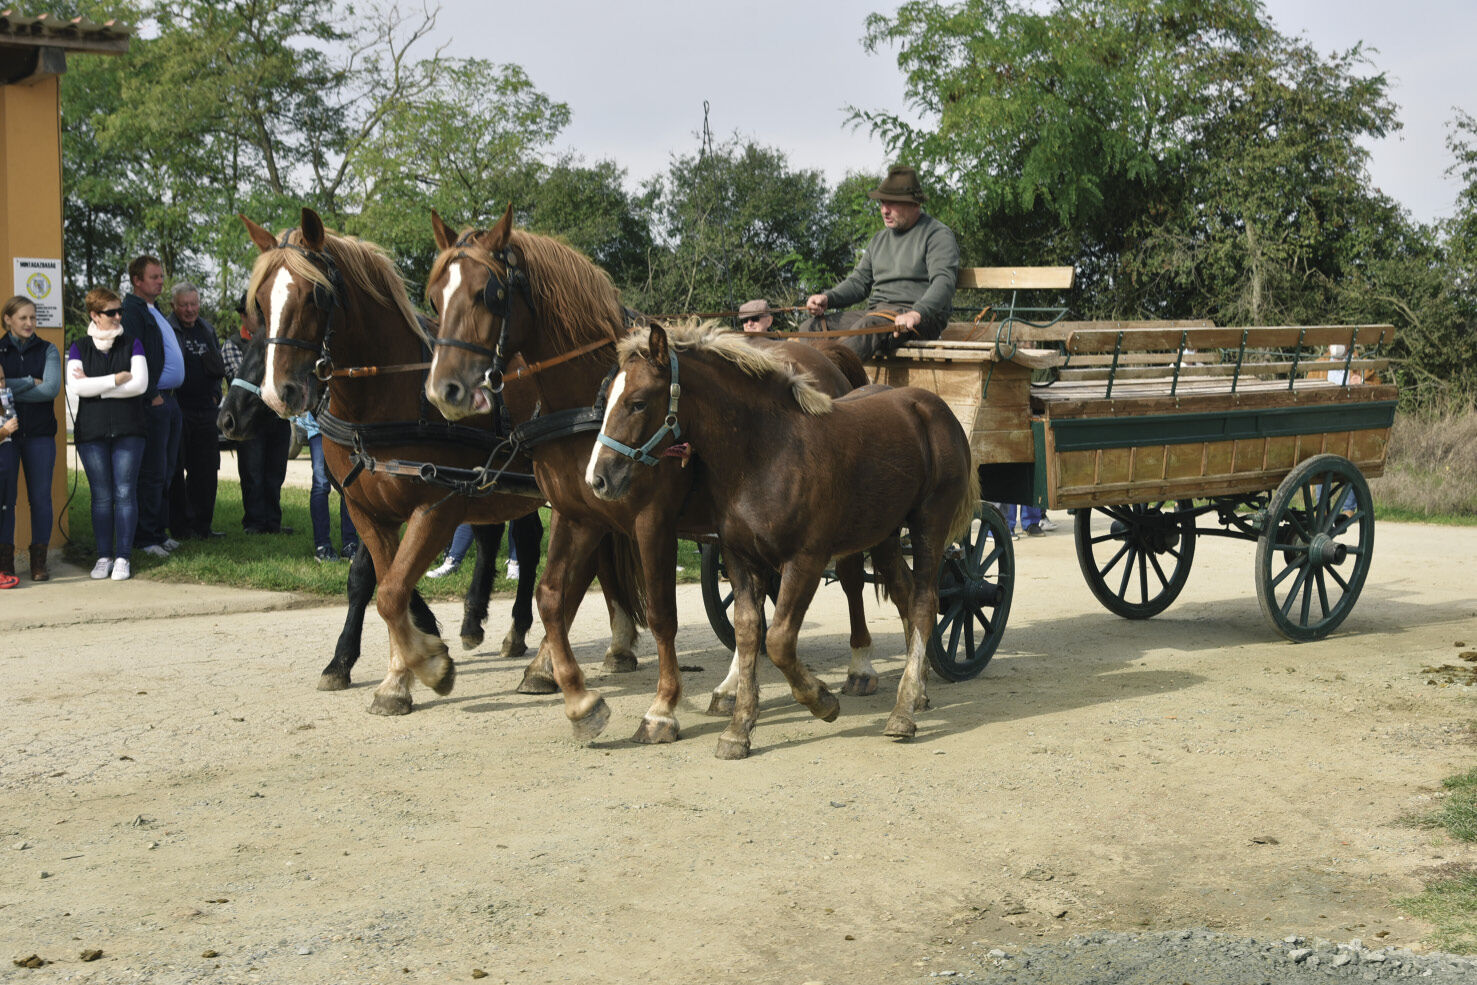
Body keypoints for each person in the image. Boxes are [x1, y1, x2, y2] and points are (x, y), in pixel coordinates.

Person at [803, 165, 960, 358]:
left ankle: (827, 380)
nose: (884, 210)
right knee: (812, 327)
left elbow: (944, 283)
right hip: (878, 314)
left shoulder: (937, 234)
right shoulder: (879, 240)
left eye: (892, 203)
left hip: (918, 318)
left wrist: (916, 313)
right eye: (882, 203)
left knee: (869, 326)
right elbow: (859, 283)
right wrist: (828, 298)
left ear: (915, 204)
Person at [68, 287, 148, 581]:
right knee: (101, 496)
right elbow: (77, 388)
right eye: (110, 312)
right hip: (92, 432)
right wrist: (115, 380)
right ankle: (104, 556)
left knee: (125, 493)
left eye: (119, 311)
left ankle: (123, 557)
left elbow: (139, 385)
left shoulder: (132, 343)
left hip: (130, 429)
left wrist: (96, 387)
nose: (117, 316)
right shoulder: (79, 347)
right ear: (94, 315)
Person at [120, 254, 185, 559]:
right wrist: (150, 394)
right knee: (152, 471)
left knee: (167, 470)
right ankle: (146, 537)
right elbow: (134, 354)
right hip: (154, 400)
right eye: (154, 277)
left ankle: (159, 530)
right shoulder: (131, 311)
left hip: (170, 399)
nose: (161, 281)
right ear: (137, 281)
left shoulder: (153, 309)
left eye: (161, 276)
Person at [0, 296, 62, 580]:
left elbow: (50, 389)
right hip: (6, 436)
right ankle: (6, 562)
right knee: (5, 499)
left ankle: (39, 562)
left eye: (33, 318)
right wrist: (28, 381)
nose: (29, 323)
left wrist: (6, 387)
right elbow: (36, 385)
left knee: (40, 499)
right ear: (8, 320)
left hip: (39, 434)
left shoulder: (48, 349)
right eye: (23, 318)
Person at [220, 317, 293, 536]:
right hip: (251, 417)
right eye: (253, 315)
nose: (259, 320)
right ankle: (254, 522)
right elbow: (238, 378)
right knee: (252, 471)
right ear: (243, 316)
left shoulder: (275, 341)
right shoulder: (234, 344)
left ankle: (273, 522)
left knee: (276, 472)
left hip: (277, 417)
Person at [296, 411, 358, 562]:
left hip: (345, 429)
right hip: (318, 428)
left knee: (348, 485)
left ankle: (350, 544)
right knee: (321, 484)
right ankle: (322, 546)